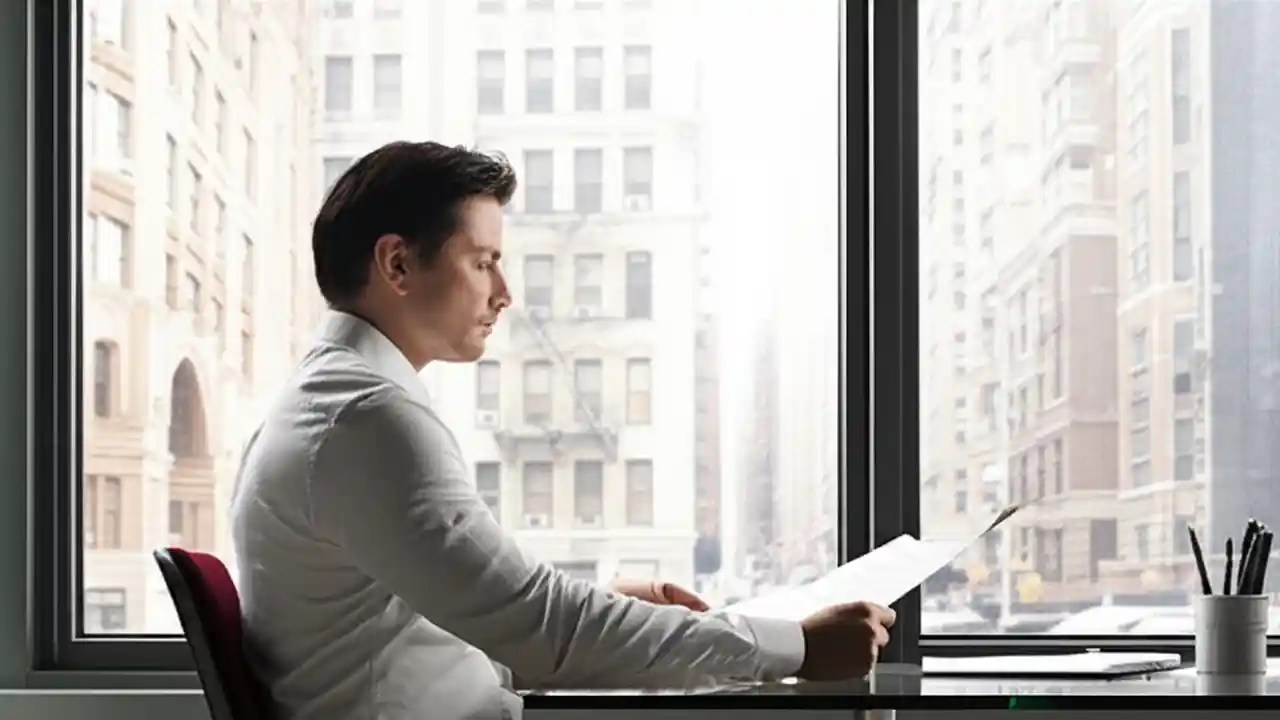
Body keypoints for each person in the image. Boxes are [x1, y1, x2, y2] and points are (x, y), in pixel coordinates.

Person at [230, 141, 895, 720]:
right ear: (397, 265)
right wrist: (799, 646)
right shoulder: (370, 421)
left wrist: (606, 607)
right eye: (484, 260)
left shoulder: (332, 404)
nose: (506, 292)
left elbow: (446, 624)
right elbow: (541, 631)